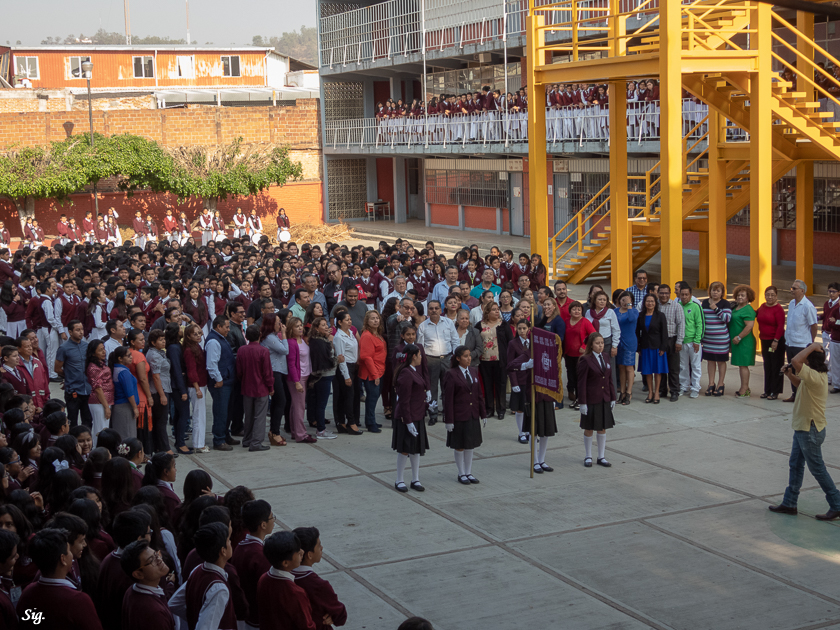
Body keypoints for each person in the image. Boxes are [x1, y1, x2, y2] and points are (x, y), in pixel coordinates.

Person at [769, 343, 840, 521]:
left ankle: (837, 504)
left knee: (817, 469)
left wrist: (813, 346)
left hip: (810, 430)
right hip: (804, 428)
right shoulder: (815, 376)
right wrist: (790, 374)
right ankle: (790, 502)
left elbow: (794, 359)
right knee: (795, 464)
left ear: (809, 359)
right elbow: (801, 385)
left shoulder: (815, 375)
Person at [16, 528, 103, 630]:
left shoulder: (27, 593)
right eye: (68, 551)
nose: (71, 555)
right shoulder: (78, 601)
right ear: (63, 559)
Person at [168, 522, 237, 630]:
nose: (230, 542)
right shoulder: (219, 589)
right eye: (228, 540)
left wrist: (195, 618)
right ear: (223, 551)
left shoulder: (198, 570)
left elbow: (174, 603)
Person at [443, 345, 486, 485]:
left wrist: (483, 414)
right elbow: (448, 398)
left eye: (469, 356)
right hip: (459, 415)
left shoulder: (473, 371)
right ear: (458, 358)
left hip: (472, 414)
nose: (469, 358)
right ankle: (461, 473)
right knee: (460, 445)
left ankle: (469, 472)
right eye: (466, 356)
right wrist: (448, 420)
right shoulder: (451, 374)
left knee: (470, 445)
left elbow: (479, 394)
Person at [257, 531, 316, 630]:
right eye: (297, 551)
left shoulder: (263, 579)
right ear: (285, 563)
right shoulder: (294, 593)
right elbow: (306, 626)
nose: (302, 551)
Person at [229, 500, 274, 629]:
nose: (273, 521)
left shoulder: (240, 546)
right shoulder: (260, 555)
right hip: (257, 619)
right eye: (272, 517)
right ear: (263, 525)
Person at [392, 344, 430, 492]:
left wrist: (427, 405)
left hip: (417, 415)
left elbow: (416, 396)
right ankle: (399, 479)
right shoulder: (406, 373)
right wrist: (407, 422)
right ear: (414, 356)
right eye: (420, 355)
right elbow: (404, 400)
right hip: (407, 418)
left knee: (415, 449)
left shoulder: (414, 371)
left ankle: (415, 479)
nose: (421, 357)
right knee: (404, 449)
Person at [577, 332, 616, 468]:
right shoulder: (585, 360)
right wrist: (582, 402)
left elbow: (609, 378)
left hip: (604, 398)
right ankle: (588, 455)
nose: (600, 346)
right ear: (591, 345)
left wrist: (612, 397)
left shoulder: (605, 356)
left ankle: (601, 456)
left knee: (602, 428)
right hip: (591, 399)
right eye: (597, 343)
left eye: (602, 343)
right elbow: (581, 383)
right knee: (589, 428)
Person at [417, 300, 459, 426]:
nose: (434, 310)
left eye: (436, 308)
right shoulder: (423, 326)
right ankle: (433, 415)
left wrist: (454, 357)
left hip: (447, 358)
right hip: (431, 360)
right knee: (432, 389)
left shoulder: (448, 323)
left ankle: (448, 413)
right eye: (431, 308)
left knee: (448, 388)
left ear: (441, 310)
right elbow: (420, 346)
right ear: (427, 310)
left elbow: (455, 341)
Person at [120, 540, 175, 630]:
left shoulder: (132, 590)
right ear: (138, 574)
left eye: (156, 554)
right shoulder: (154, 613)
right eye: (151, 560)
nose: (159, 560)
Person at [237, 325, 274, 452]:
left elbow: (239, 371)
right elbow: (267, 372)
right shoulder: (263, 351)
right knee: (260, 416)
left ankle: (247, 439)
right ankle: (256, 442)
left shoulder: (242, 350)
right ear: (259, 335)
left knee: (248, 415)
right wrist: (271, 386)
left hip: (247, 387)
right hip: (261, 387)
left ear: (246, 336)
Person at [206, 316, 239, 452]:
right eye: (226, 327)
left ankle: (225, 435)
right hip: (221, 382)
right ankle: (219, 439)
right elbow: (211, 364)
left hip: (228, 380)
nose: (228, 329)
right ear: (218, 327)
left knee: (228, 411)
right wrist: (218, 379)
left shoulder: (221, 337)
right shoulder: (214, 341)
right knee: (221, 411)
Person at [474, 302, 512, 420]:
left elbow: (510, 341)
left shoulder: (503, 324)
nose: (497, 312)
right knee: (487, 384)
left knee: (501, 384)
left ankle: (501, 410)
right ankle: (489, 409)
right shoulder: (480, 325)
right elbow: (475, 339)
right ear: (487, 312)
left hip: (500, 360)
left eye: (497, 310)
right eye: (494, 310)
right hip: (485, 360)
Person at [784, 279, 819, 402]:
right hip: (790, 343)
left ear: (802, 291)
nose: (791, 290)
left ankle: (803, 395)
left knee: (802, 371)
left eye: (794, 288)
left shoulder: (808, 306)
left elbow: (813, 326)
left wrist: (811, 341)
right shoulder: (792, 303)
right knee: (791, 370)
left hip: (801, 344)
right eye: (792, 287)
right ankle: (795, 393)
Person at [286, 317, 317, 444]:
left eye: (300, 325)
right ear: (291, 328)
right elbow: (291, 364)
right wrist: (297, 381)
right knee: (300, 407)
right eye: (296, 326)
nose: (300, 328)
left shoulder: (302, 340)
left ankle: (295, 432)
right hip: (297, 377)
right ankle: (301, 434)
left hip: (305, 375)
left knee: (296, 406)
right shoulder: (291, 342)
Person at [307, 317, 338, 440]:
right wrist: (337, 360)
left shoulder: (320, 340)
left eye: (326, 325)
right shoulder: (318, 342)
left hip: (325, 376)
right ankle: (320, 430)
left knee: (319, 403)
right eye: (323, 325)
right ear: (316, 328)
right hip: (323, 376)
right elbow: (325, 361)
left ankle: (320, 427)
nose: (326, 327)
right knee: (321, 404)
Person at [332, 312, 362, 436]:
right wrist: (346, 376)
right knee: (348, 396)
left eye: (350, 319)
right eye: (347, 320)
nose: (350, 322)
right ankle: (350, 422)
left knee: (352, 395)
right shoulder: (339, 337)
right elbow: (341, 358)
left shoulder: (350, 334)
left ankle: (343, 422)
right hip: (345, 367)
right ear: (339, 322)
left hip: (353, 366)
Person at [562, 302, 596, 410]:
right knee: (571, 377)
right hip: (569, 354)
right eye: (574, 309)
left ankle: (582, 400)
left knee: (580, 378)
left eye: (579, 309)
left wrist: (585, 345)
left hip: (581, 355)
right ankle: (577, 398)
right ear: (570, 311)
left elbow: (593, 335)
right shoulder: (566, 321)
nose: (577, 311)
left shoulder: (585, 322)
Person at [701, 281, 732, 397]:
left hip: (721, 339)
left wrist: (716, 309)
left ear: (722, 292)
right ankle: (711, 383)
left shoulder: (725, 304)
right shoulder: (704, 302)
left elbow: (727, 318)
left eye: (718, 291)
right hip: (708, 339)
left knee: (721, 361)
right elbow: (701, 319)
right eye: (713, 290)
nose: (715, 292)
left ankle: (720, 384)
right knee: (710, 361)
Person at [637, 294, 668, 404]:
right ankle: (650, 392)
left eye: (652, 301)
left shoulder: (660, 315)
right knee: (648, 371)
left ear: (655, 303)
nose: (650, 303)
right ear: (644, 303)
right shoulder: (640, 315)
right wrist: (638, 347)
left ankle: (656, 392)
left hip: (657, 347)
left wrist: (663, 347)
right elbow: (637, 333)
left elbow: (664, 333)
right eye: (648, 301)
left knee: (657, 371)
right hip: (645, 347)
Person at [183, 324, 210, 453]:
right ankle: (199, 444)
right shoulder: (189, 350)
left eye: (199, 333)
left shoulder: (196, 347)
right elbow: (191, 370)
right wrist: (197, 387)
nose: (199, 335)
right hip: (196, 386)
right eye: (195, 334)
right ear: (188, 336)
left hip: (200, 384)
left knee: (200, 414)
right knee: (199, 415)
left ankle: (199, 443)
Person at [358, 310, 386, 433]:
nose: (375, 320)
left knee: (374, 397)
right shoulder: (367, 335)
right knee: (372, 398)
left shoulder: (377, 334)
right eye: (372, 318)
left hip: (380, 370)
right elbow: (366, 357)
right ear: (367, 321)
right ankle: (370, 422)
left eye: (377, 318)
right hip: (372, 373)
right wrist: (375, 375)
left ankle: (371, 420)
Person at [757, 285, 787, 400]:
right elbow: (756, 314)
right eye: (767, 295)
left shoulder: (778, 309)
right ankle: (767, 390)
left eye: (772, 295)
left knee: (776, 366)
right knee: (767, 365)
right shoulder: (763, 306)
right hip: (764, 340)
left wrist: (776, 340)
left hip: (775, 341)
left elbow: (780, 326)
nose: (769, 297)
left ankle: (775, 391)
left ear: (776, 296)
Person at [729, 284, 757, 399]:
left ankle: (744, 389)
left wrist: (739, 337)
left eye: (743, 295)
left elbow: (749, 326)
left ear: (748, 297)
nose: (740, 297)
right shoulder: (736, 308)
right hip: (737, 342)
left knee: (743, 365)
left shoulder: (748, 310)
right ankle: (745, 387)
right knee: (741, 365)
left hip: (744, 342)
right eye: (738, 295)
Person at [678, 285, 704, 398]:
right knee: (683, 366)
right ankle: (684, 387)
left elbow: (699, 324)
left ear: (690, 295)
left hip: (693, 342)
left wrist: (697, 341)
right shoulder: (677, 306)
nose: (684, 297)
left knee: (695, 366)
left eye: (686, 294)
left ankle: (695, 388)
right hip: (681, 342)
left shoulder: (695, 306)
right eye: (682, 294)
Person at [613, 292, 639, 405]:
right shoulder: (615, 311)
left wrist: (629, 306)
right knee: (621, 367)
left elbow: (632, 319)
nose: (625, 302)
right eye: (623, 300)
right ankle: (622, 391)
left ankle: (629, 392)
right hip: (619, 341)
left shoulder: (634, 311)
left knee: (629, 367)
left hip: (629, 341)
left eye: (627, 300)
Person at [110, 346, 139, 440]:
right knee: (128, 435)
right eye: (128, 356)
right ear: (120, 358)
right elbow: (129, 392)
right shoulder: (123, 372)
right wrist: (135, 408)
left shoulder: (116, 369)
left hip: (119, 406)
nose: (131, 357)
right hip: (125, 407)